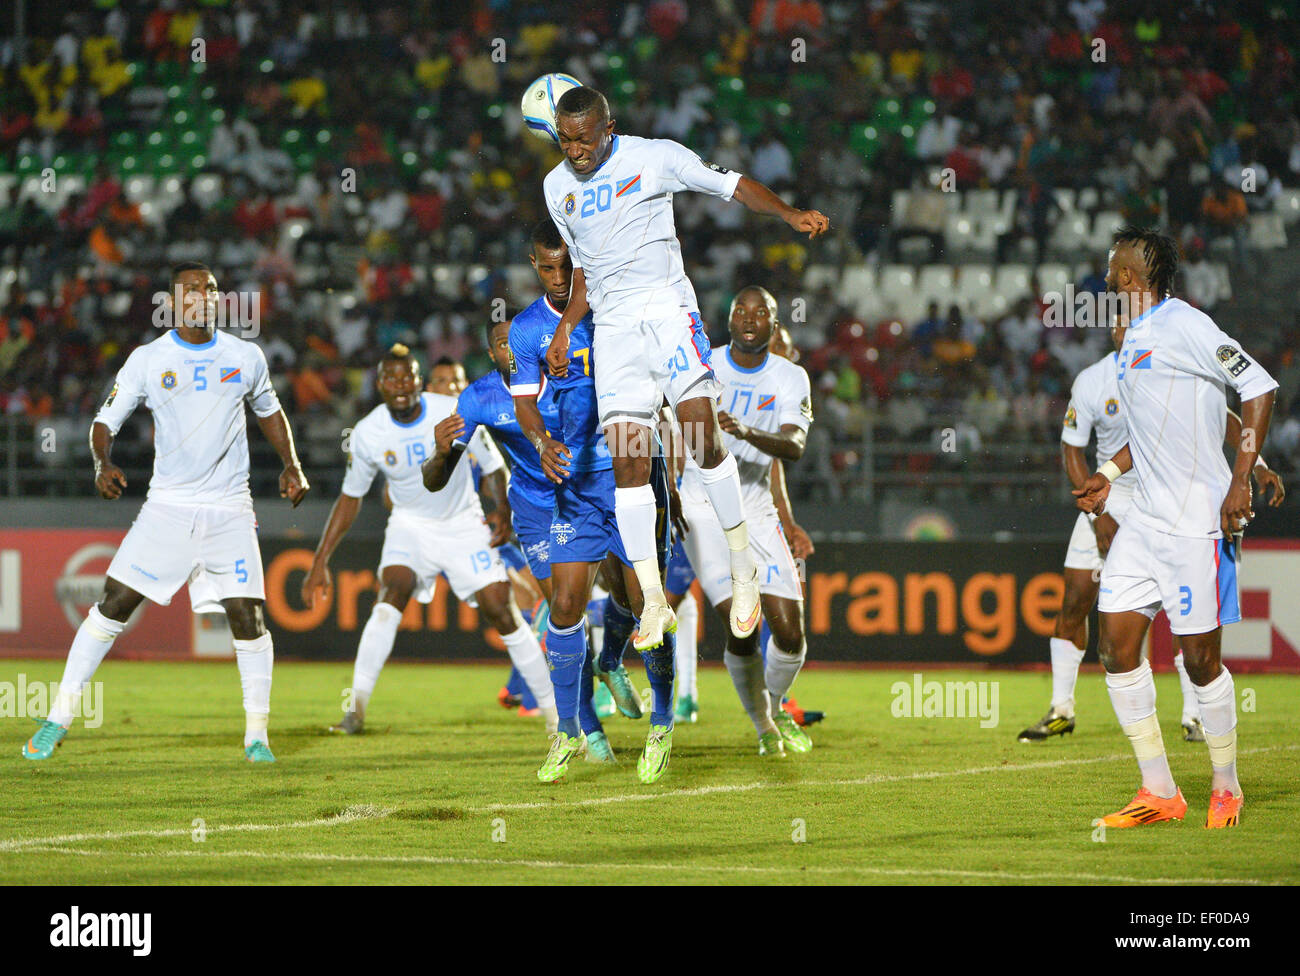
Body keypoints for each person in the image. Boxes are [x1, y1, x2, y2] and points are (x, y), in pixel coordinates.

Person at [541, 86, 829, 653]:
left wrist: (789, 214)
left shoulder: (656, 156)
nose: (574, 150)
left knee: (700, 433)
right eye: (565, 139)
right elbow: (584, 271)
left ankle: (743, 567)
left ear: (609, 127)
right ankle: (652, 598)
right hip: (616, 332)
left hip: (669, 312)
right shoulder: (556, 189)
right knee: (628, 460)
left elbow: (734, 185)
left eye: (584, 138)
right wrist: (567, 326)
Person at [23, 262, 309, 763]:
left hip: (229, 508)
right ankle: (57, 719)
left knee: (249, 616)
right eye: (192, 289)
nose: (204, 295)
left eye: (212, 288)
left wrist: (292, 465)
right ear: (174, 302)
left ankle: (257, 736)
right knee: (112, 604)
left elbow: (269, 411)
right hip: (169, 508)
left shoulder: (245, 355)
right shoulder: (148, 360)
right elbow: (104, 420)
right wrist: (101, 462)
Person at [1075, 227, 1278, 829]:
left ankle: (1226, 785)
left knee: (1198, 661)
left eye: (1114, 265)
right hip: (1144, 521)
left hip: (1193, 523)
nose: (1106, 273)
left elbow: (1258, 385)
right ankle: (1159, 790)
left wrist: (1242, 477)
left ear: (1133, 275)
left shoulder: (1185, 324)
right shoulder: (1133, 337)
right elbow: (1151, 431)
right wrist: (1109, 471)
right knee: (1114, 647)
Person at [1019, 319, 1285, 743]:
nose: (1129, 331)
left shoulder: (1172, 361)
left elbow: (1223, 415)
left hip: (1170, 495)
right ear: (1112, 332)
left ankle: (1194, 715)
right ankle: (1061, 709)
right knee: (1074, 600)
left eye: (1136, 323)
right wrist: (1097, 513)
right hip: (1112, 491)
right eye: (1121, 325)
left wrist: (1260, 465)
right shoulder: (1093, 380)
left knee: (1188, 614)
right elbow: (1071, 449)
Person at [302, 344, 556, 735]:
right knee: (392, 591)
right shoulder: (369, 432)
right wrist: (321, 560)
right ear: (380, 384)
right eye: (392, 378)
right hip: (410, 525)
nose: (401, 385)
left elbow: (493, 467)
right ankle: (355, 709)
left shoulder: (451, 409)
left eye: (408, 377)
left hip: (462, 523)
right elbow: (349, 499)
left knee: (500, 609)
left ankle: (558, 718)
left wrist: (502, 512)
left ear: (419, 380)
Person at [678, 287, 814, 756]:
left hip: (756, 510)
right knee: (743, 626)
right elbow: (669, 430)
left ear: (774, 326)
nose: (749, 318)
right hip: (703, 510)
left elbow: (793, 447)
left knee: (792, 635)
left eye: (761, 313)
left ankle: (773, 706)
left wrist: (746, 430)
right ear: (729, 319)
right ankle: (763, 728)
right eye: (741, 310)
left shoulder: (790, 377)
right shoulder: (703, 364)